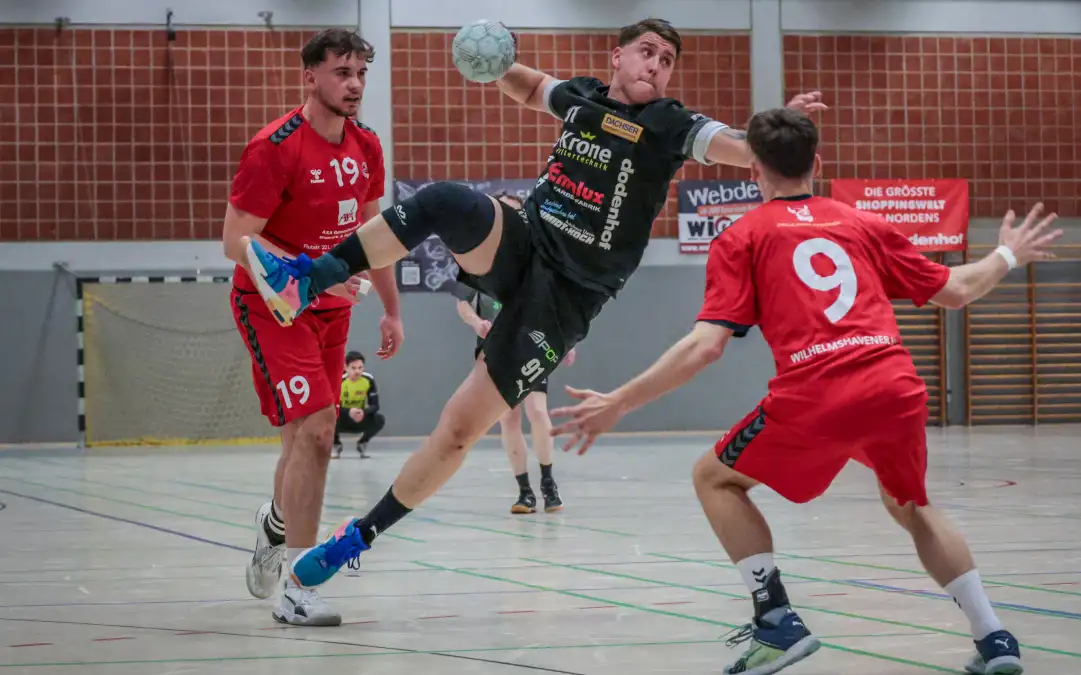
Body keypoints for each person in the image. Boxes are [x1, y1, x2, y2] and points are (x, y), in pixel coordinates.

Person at [237, 18, 827, 587]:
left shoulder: (668, 124)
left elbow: (731, 144)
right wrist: (493, 64)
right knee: (443, 200)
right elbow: (531, 87)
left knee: (459, 430)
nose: (657, 65)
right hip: (526, 243)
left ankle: (355, 539)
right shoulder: (581, 97)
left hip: (568, 298)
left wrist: (776, 131)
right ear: (617, 57)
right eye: (647, 51)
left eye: (668, 60)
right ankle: (308, 280)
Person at [550, 109, 1062, 675]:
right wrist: (1008, 253)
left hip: (818, 391)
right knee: (912, 505)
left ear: (754, 172)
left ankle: (776, 622)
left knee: (713, 476)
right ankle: (995, 639)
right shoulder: (861, 223)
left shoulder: (740, 237)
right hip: (893, 385)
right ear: (816, 164)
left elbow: (705, 347)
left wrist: (618, 401)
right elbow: (958, 289)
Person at [221, 28, 403, 627]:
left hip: (333, 309)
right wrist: (315, 278)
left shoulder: (367, 147)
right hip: (273, 309)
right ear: (311, 76)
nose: (354, 85)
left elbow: (374, 235)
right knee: (320, 431)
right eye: (341, 73)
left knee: (305, 441)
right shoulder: (274, 147)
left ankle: (276, 525)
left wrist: (392, 308)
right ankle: (300, 584)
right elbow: (236, 240)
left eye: (360, 74)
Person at [453, 192, 578, 513]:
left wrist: (567, 340)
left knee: (537, 410)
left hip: (533, 340)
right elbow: (463, 302)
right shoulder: (477, 256)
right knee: (508, 417)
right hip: (495, 344)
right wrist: (476, 322)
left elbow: (559, 300)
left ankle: (549, 485)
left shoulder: (537, 256)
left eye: (515, 212)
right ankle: (525, 491)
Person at [333, 350, 386, 459]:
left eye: (360, 368)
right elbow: (332, 407)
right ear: (346, 368)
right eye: (353, 368)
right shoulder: (338, 380)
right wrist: (349, 412)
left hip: (359, 418)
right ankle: (336, 444)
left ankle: (362, 443)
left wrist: (364, 412)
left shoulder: (368, 380)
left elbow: (375, 405)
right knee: (326, 418)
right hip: (341, 419)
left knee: (380, 419)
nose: (357, 371)